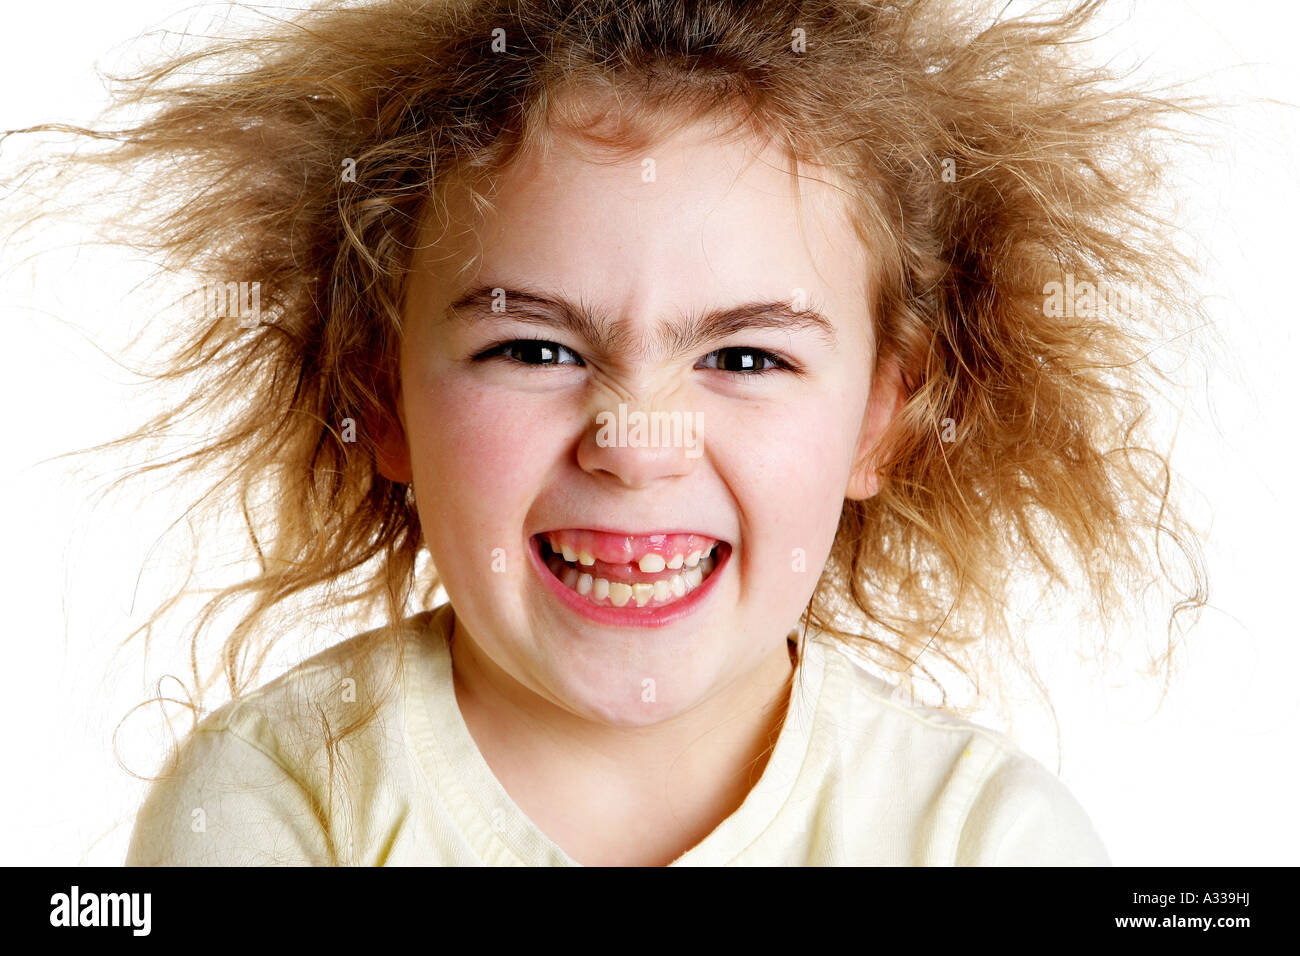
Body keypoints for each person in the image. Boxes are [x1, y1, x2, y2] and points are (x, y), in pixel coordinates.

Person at [10, 0, 1212, 865]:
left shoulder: (980, 834)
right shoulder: (283, 796)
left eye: (746, 357)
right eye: (533, 349)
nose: (637, 442)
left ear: (879, 421)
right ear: (378, 395)